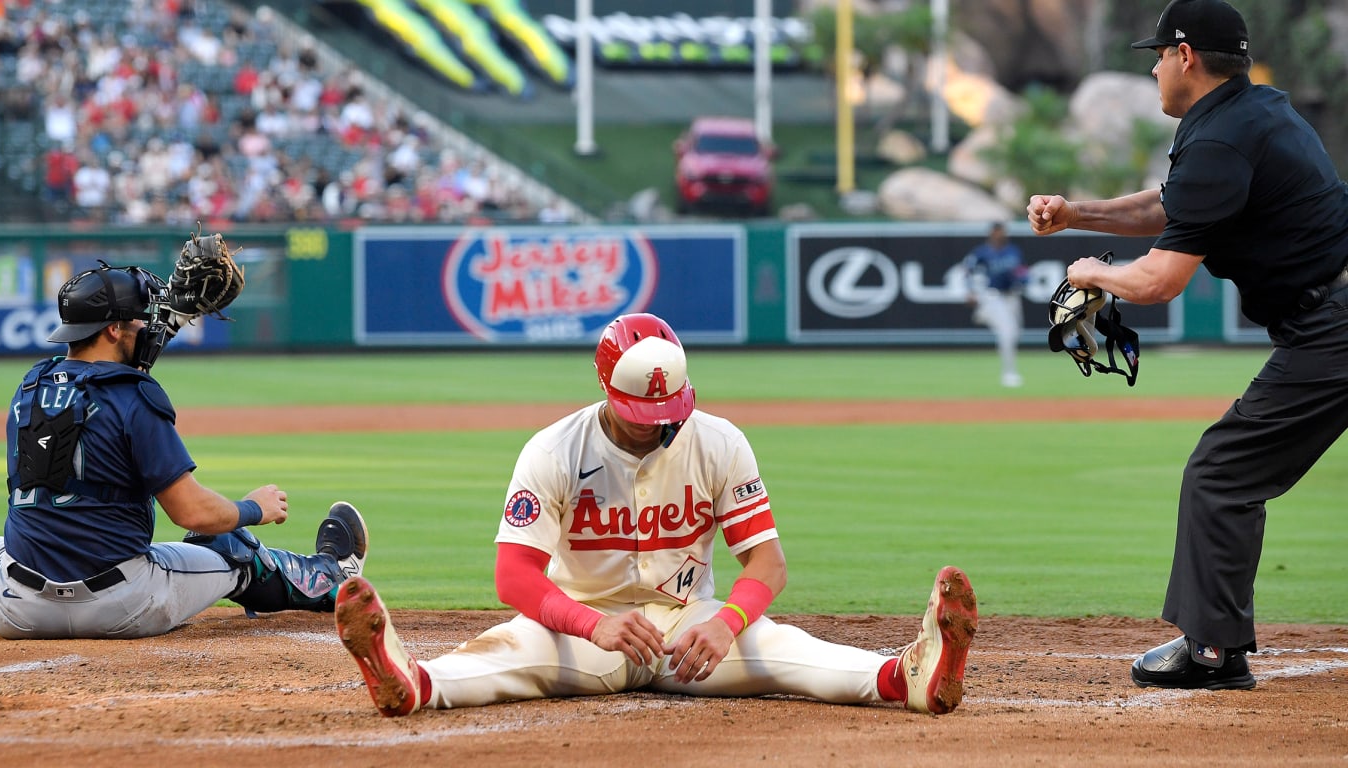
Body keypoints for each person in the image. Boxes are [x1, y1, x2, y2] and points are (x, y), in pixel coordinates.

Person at [333, 312, 978, 717]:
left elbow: (766, 563)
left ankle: (908, 678)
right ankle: (409, 681)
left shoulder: (719, 439)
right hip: (582, 626)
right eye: (647, 420)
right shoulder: (554, 449)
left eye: (670, 417)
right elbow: (515, 577)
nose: (662, 431)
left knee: (789, 652)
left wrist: (727, 621)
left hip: (689, 631)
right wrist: (593, 625)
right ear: (606, 390)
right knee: (503, 662)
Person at [1026, 0, 1348, 691]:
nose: (1153, 68)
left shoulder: (1223, 138)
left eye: (1158, 55)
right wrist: (1079, 215)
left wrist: (1092, 272)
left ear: (1186, 55)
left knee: (1222, 473)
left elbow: (1162, 279)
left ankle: (1212, 652)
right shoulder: (1248, 113)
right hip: (1332, 317)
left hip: (1337, 325)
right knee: (1228, 471)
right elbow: (1174, 204)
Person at [0, 261, 369, 638]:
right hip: (124, 603)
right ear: (112, 330)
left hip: (16, 607)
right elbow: (190, 511)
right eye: (139, 321)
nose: (150, 329)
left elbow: (94, 390)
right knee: (227, 542)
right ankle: (332, 575)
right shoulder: (137, 396)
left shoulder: (31, 386)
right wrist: (254, 507)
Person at [961, 221, 1027, 387]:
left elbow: (1021, 270)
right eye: (997, 231)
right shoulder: (982, 252)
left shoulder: (1013, 250)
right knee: (1007, 332)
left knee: (1015, 333)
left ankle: (983, 314)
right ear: (991, 233)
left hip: (1012, 296)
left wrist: (1024, 279)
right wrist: (970, 290)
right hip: (994, 296)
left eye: (1002, 231)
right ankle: (1009, 373)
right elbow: (968, 270)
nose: (1000, 234)